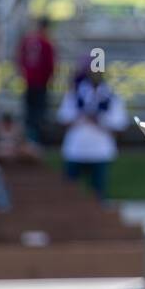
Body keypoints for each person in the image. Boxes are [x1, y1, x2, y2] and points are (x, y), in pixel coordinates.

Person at [56, 57, 128, 202]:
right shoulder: (75, 94)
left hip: (100, 150)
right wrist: (81, 116)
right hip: (76, 149)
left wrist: (100, 120)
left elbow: (120, 126)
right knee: (68, 195)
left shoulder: (111, 96)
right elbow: (63, 119)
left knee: (98, 195)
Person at [16, 17, 57, 144]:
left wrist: (24, 75)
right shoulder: (46, 43)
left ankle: (30, 140)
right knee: (38, 114)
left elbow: (20, 59)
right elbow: (50, 65)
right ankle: (35, 141)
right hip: (40, 84)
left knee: (29, 113)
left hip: (29, 82)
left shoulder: (28, 40)